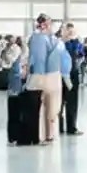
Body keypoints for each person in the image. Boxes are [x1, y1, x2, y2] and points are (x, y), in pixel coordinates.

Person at [27, 14, 64, 144]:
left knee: (52, 108)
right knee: (44, 107)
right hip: (44, 76)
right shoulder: (39, 38)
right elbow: (39, 59)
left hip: (51, 75)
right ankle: (43, 135)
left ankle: (48, 134)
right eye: (49, 23)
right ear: (43, 24)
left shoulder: (51, 38)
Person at [61, 25, 85, 136]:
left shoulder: (77, 43)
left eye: (72, 30)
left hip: (73, 73)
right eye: (67, 30)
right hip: (61, 74)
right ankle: (59, 127)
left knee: (72, 102)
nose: (70, 32)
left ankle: (72, 127)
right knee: (59, 102)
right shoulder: (59, 44)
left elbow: (81, 55)